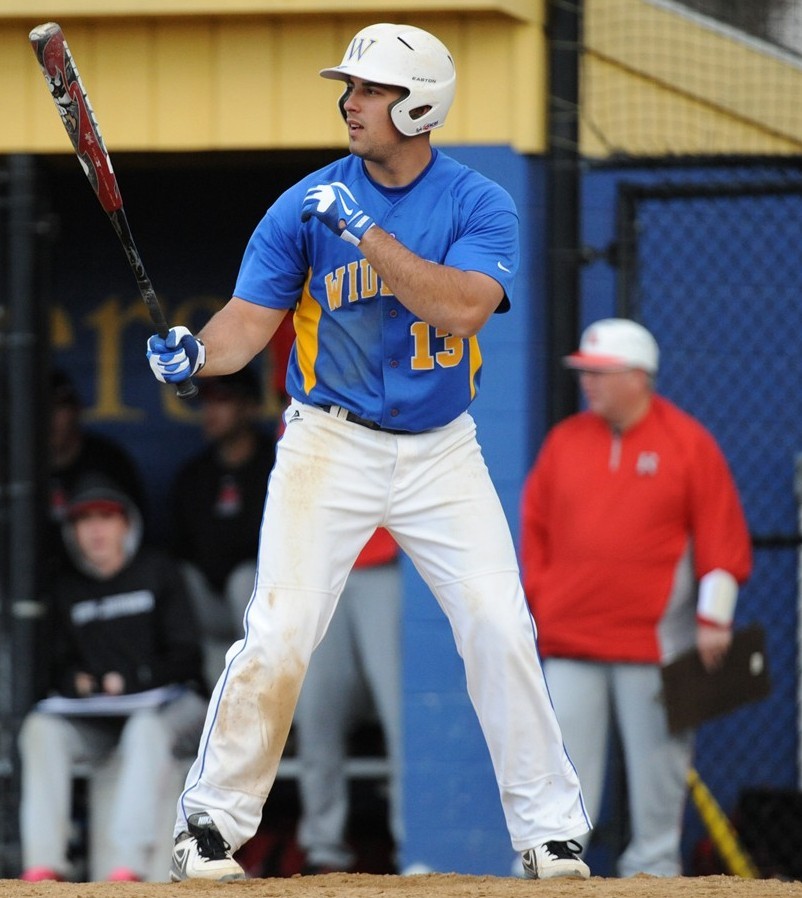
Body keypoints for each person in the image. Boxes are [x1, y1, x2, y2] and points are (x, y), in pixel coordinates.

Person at [145, 22, 591, 882]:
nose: (351, 102)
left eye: (372, 90)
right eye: (349, 88)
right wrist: (197, 353)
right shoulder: (305, 201)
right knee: (278, 634)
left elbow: (462, 308)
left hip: (442, 450)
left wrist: (368, 237)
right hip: (329, 444)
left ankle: (550, 834)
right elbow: (247, 323)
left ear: (419, 103)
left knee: (499, 625)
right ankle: (210, 827)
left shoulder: (478, 201)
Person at [519, 317, 753, 877]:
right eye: (584, 372)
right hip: (570, 643)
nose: (588, 383)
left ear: (640, 377)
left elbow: (723, 539)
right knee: (559, 778)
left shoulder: (688, 443)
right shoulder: (564, 442)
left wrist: (714, 619)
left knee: (659, 781)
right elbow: (535, 533)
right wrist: (543, 606)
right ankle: (550, 876)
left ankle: (654, 876)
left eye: (601, 373)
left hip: (655, 649)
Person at [18, 474, 208, 883]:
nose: (96, 529)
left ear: (127, 524)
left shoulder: (158, 570)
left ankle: (130, 867)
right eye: (85, 520)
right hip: (101, 720)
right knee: (40, 728)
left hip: (174, 710)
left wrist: (135, 679)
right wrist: (79, 683)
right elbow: (56, 669)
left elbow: (188, 658)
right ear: (72, 531)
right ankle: (44, 865)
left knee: (144, 729)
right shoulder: (66, 587)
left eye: (106, 517)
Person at [294, 527, 402, 875]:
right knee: (315, 712)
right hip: (318, 570)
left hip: (387, 561)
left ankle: (411, 845)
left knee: (401, 717)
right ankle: (323, 848)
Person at [169, 368, 276, 685]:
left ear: (250, 407)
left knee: (244, 580)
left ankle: (270, 694)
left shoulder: (278, 464)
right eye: (206, 401)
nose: (210, 411)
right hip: (211, 607)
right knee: (179, 578)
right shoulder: (194, 475)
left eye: (223, 400)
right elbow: (180, 552)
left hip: (268, 611)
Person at [48, 368, 148, 559]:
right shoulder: (15, 466)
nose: (51, 418)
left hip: (102, 574)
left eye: (59, 407)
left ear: (76, 411)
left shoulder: (108, 460)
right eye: (41, 409)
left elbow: (135, 525)